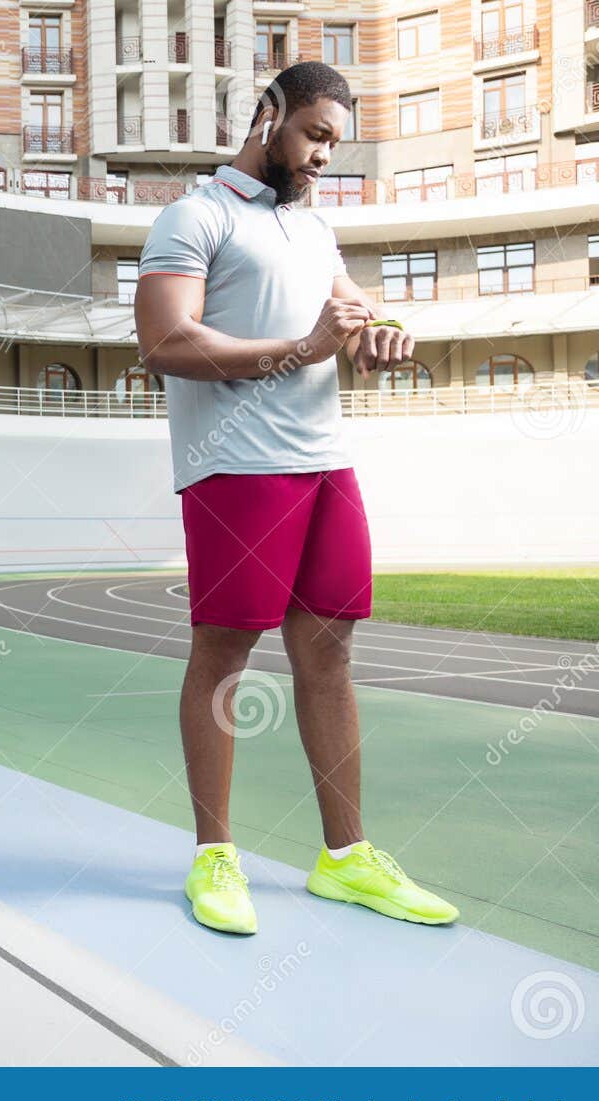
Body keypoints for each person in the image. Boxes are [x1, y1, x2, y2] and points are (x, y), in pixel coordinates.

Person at [133, 62, 459, 936]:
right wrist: (306, 347)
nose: (322, 157)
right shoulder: (194, 215)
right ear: (269, 115)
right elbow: (164, 341)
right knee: (226, 653)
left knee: (332, 652)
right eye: (314, 135)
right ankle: (214, 855)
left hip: (325, 463)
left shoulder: (315, 231)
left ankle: (346, 858)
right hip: (235, 467)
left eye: (334, 145)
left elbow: (348, 323)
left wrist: (376, 339)